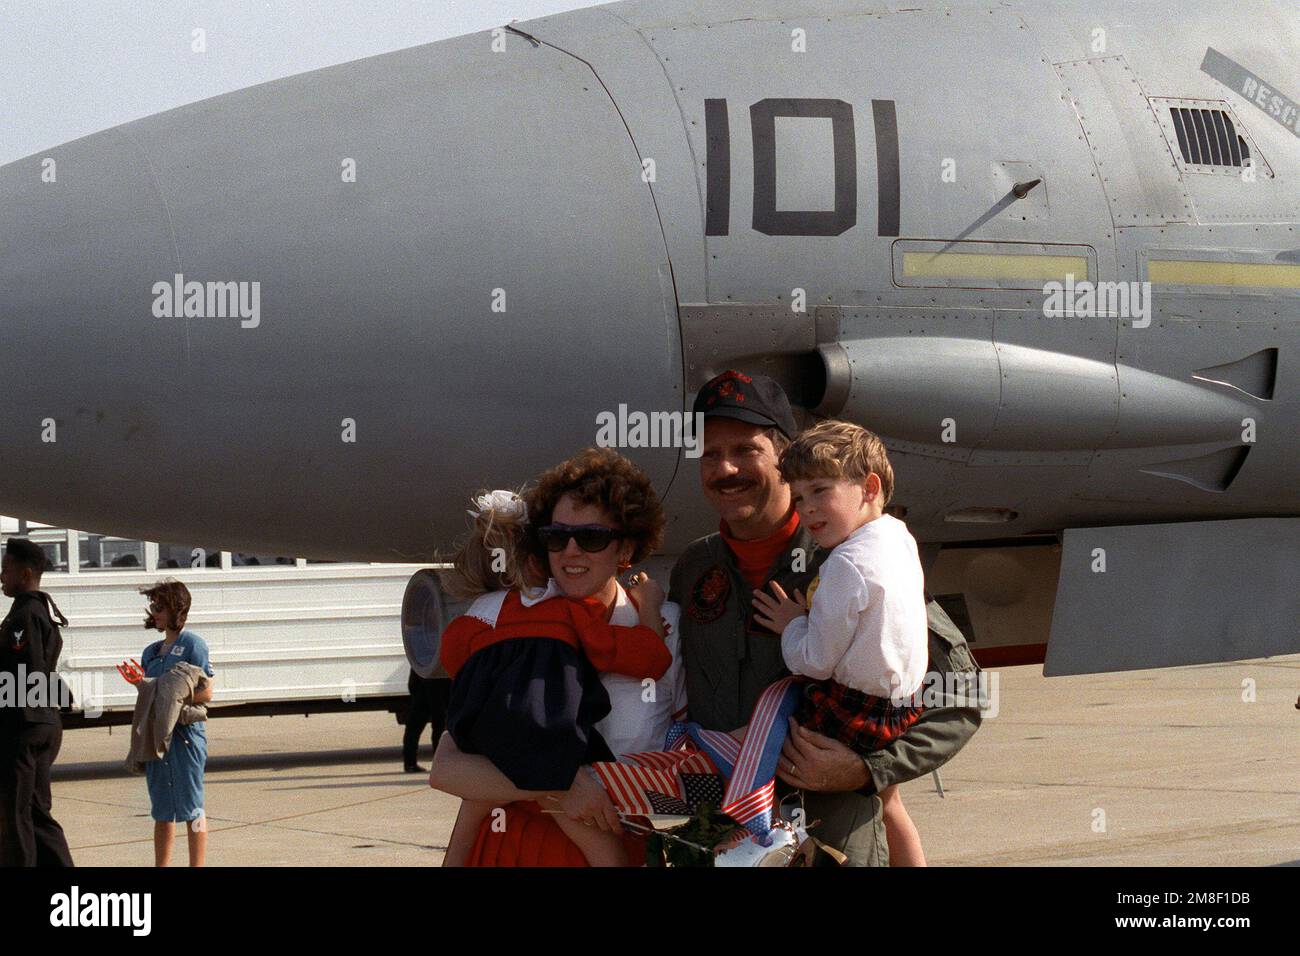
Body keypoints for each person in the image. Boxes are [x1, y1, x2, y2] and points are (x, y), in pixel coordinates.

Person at [669, 370, 983, 866]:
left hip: (830, 841)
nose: (725, 469)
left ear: (783, 456)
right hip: (727, 840)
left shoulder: (853, 560)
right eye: (710, 455)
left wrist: (868, 769)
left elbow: (962, 697)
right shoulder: (694, 568)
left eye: (746, 450)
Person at [430, 449, 687, 866]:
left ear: (626, 547)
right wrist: (564, 785)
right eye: (556, 537)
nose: (570, 551)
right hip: (513, 848)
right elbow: (448, 767)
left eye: (591, 538)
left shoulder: (670, 629)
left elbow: (686, 756)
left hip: (624, 841)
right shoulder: (507, 621)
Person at [752, 419, 929, 864]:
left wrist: (792, 624)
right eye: (798, 497)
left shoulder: (845, 564)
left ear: (868, 487)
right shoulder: (898, 537)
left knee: (767, 759)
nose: (806, 510)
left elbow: (813, 660)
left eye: (820, 491)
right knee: (891, 804)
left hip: (852, 709)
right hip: (902, 707)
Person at [116, 579, 215, 867]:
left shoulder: (193, 645)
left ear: (176, 608)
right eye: (153, 607)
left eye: (160, 607)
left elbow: (207, 691)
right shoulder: (151, 652)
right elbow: (153, 696)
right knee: (161, 809)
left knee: (193, 807)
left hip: (185, 737)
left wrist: (173, 700)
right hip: (157, 737)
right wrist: (141, 683)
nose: (155, 612)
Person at [0, 537, 75, 867]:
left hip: (24, 725)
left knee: (14, 816)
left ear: (25, 573)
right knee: (35, 812)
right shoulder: (42, 611)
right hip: (43, 722)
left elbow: (26, 672)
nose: (1, 576)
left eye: (6, 569)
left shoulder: (24, 617)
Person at [401, 669, 451, 773]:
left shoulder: (420, 657)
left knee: (413, 728)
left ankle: (410, 763)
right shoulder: (438, 657)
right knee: (439, 726)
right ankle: (440, 764)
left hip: (421, 690)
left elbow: (413, 682)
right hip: (439, 689)